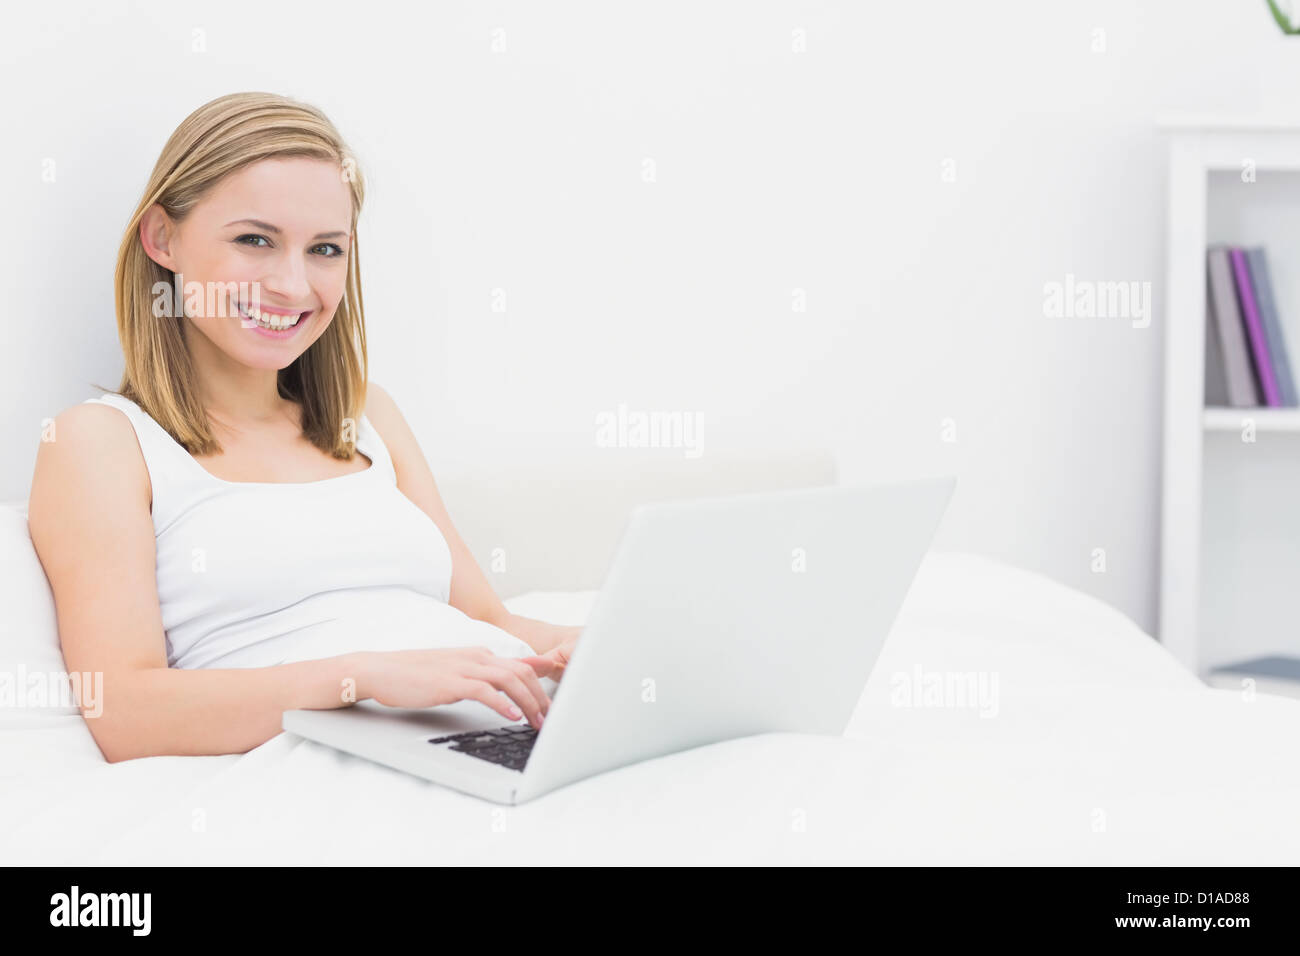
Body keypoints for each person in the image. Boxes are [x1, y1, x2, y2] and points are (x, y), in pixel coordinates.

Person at [27, 92, 578, 763]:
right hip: (346, 756)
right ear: (162, 239)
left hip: (498, 730)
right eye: (254, 240)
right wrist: (361, 676)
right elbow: (126, 714)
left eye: (325, 249)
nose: (292, 285)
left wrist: (599, 643)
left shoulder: (366, 416)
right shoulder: (102, 443)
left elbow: (492, 621)